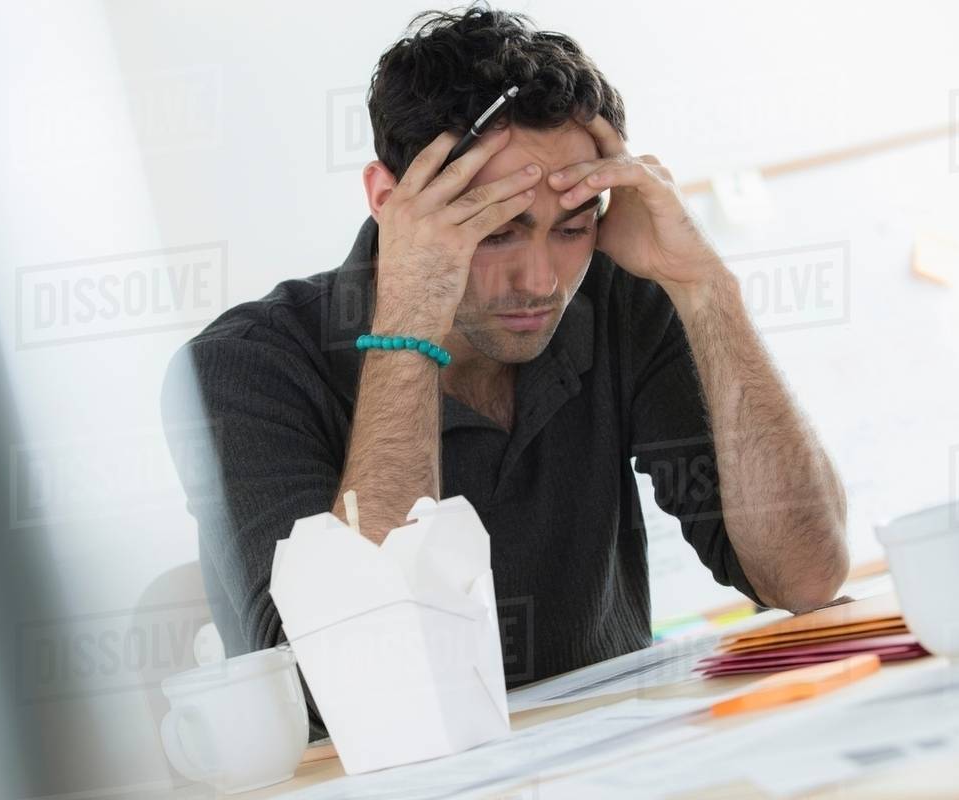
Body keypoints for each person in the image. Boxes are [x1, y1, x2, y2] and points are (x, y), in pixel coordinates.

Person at [161, 4, 849, 742]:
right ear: (389, 202)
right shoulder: (242, 367)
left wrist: (707, 287)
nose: (541, 282)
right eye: (495, 232)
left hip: (618, 758)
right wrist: (409, 326)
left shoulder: (618, 300)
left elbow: (804, 576)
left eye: (572, 229)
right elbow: (353, 680)